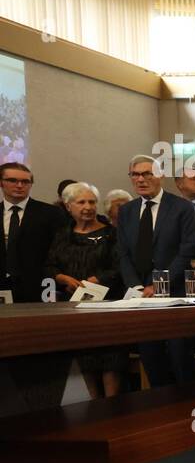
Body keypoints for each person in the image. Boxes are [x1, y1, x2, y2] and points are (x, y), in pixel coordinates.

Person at [117, 154, 195, 384]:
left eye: (147, 173)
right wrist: (137, 286)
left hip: (175, 294)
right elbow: (123, 253)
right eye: (135, 174)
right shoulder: (127, 211)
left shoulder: (182, 207)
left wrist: (159, 285)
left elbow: (188, 251)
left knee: (180, 357)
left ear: (160, 175)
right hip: (141, 297)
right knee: (150, 358)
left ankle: (187, 408)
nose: (141, 179)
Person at [43, 182, 126, 396]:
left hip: (107, 307)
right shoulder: (62, 234)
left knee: (110, 360)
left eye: (92, 202)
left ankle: (112, 410)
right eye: (81, 202)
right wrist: (63, 278)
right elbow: (50, 265)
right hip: (75, 309)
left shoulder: (111, 233)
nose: (88, 206)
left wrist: (97, 279)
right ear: (68, 206)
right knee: (84, 360)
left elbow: (120, 267)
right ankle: (94, 411)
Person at [1, 162, 65, 303]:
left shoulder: (51, 213)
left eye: (25, 181)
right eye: (12, 180)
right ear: (1, 183)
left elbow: (60, 252)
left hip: (39, 288)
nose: (19, 185)